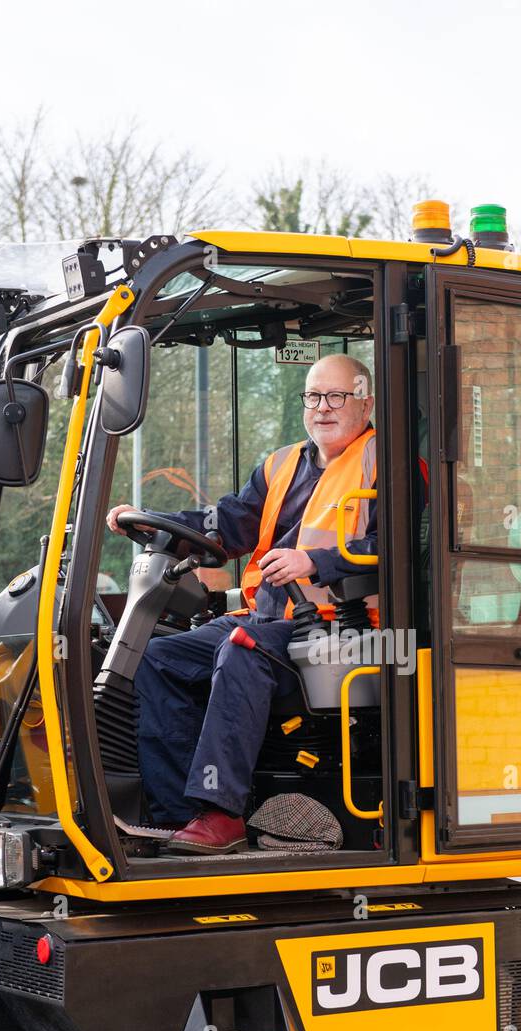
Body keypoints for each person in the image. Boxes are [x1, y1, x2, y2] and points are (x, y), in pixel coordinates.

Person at [106, 354, 377, 854]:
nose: (322, 408)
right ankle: (177, 816)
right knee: (155, 658)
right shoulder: (281, 464)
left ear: (367, 401)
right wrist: (150, 519)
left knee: (242, 646)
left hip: (344, 625)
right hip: (272, 616)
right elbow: (224, 525)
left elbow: (404, 545)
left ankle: (222, 813)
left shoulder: (390, 462)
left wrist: (315, 561)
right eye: (313, 396)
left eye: (336, 396)